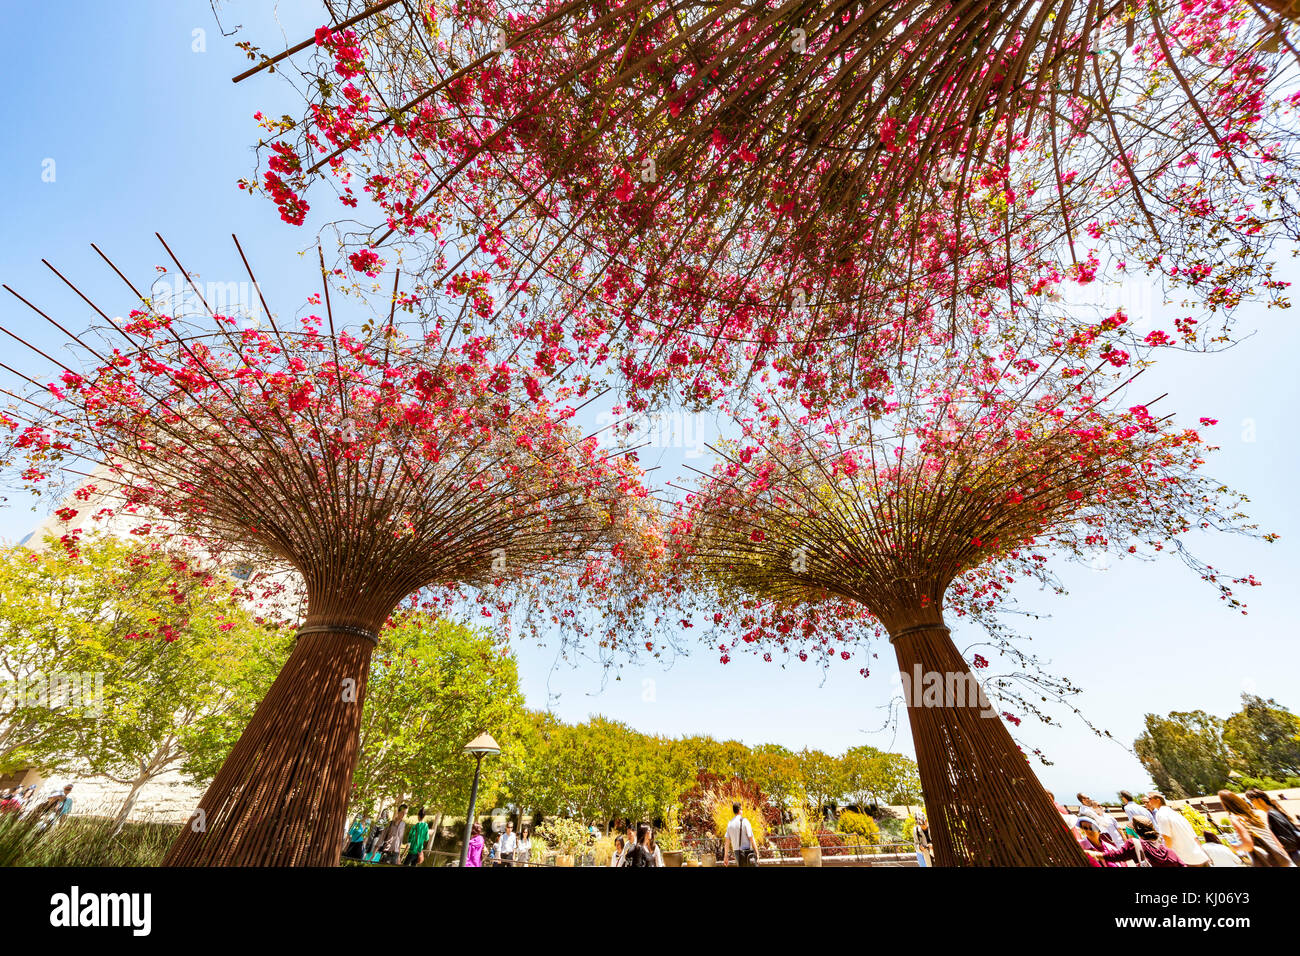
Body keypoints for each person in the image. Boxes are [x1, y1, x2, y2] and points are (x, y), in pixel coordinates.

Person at [1218, 790, 1293, 867]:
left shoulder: (1236, 819)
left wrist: (1236, 848)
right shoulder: (1255, 815)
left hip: (1267, 861)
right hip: (1281, 857)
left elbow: (1248, 844)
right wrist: (1286, 857)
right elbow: (1275, 839)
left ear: (1225, 805)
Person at [1145, 793, 1210, 867]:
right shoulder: (1177, 815)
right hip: (1200, 857)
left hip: (1187, 860)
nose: (1148, 801)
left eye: (1150, 799)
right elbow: (1195, 837)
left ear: (1158, 800)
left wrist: (1166, 858)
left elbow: (1167, 837)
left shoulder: (1161, 814)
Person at [1091, 818, 1184, 867]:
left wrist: (1095, 854)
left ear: (1135, 830)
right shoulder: (1169, 851)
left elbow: (1117, 856)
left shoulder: (1134, 844)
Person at [1244, 788, 1300, 865]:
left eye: (1251, 801)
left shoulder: (1272, 814)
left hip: (1294, 855)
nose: (1251, 804)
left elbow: (1288, 839)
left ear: (1259, 800)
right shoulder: (1273, 812)